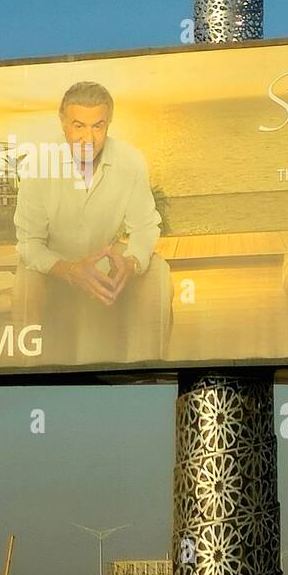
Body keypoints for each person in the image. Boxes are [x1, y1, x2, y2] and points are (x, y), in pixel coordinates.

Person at [11, 81, 173, 365]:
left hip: (105, 257)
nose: (88, 138)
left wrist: (132, 262)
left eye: (97, 126)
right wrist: (71, 270)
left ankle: (145, 369)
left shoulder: (130, 161)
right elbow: (29, 244)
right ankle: (29, 372)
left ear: (108, 124)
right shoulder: (38, 166)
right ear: (63, 125)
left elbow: (145, 227)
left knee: (157, 270)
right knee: (26, 278)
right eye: (79, 126)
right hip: (54, 265)